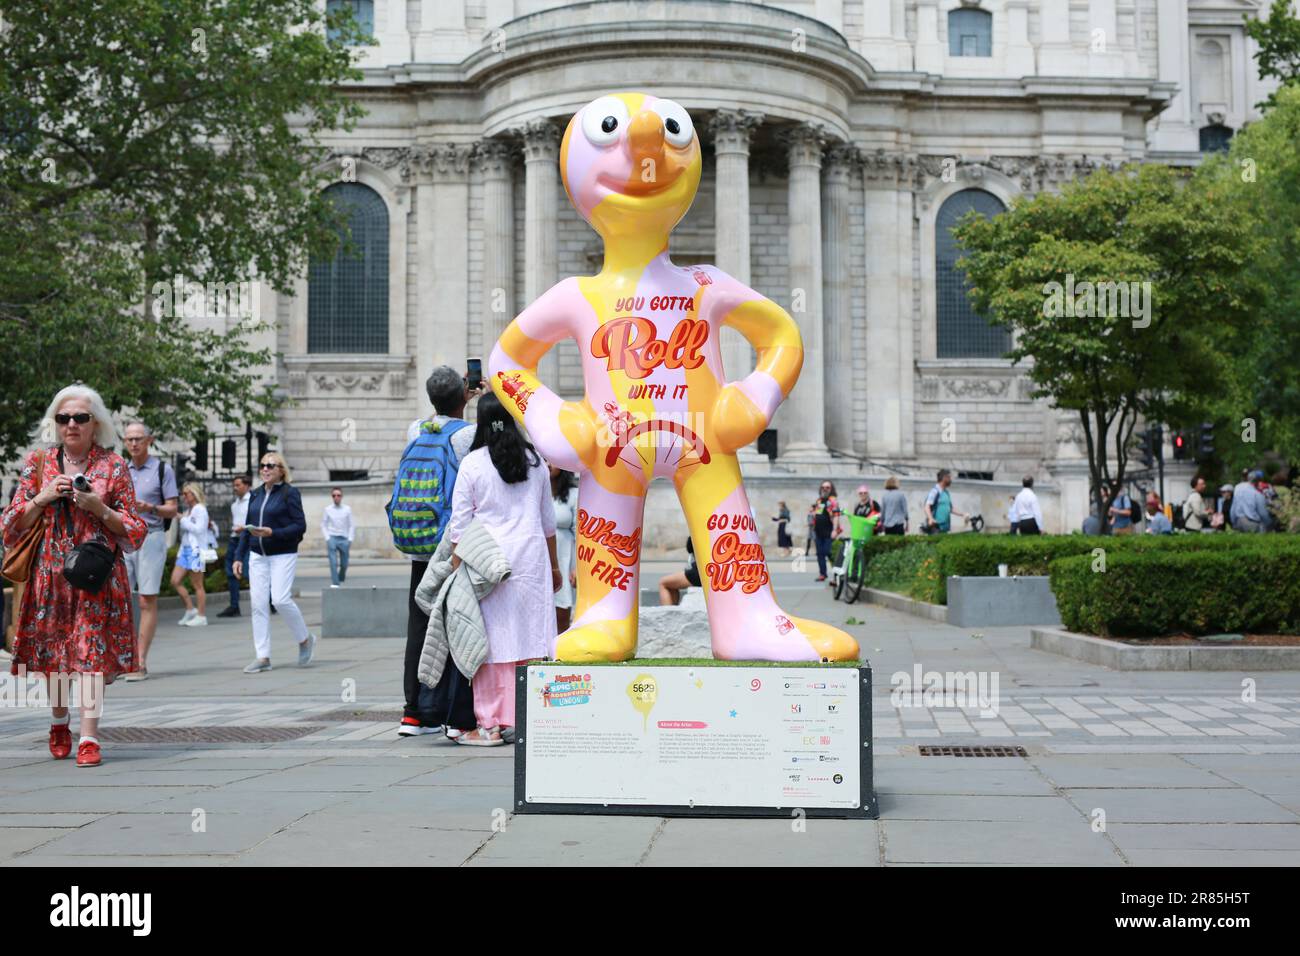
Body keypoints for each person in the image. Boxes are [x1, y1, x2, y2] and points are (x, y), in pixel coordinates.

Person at [1, 384, 147, 767]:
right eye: (63, 417)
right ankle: (59, 721)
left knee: (91, 655)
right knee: (54, 658)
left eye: (80, 417)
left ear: (95, 423)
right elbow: (10, 525)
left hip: (95, 578)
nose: (71, 424)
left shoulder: (113, 466)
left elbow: (135, 531)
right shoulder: (38, 463)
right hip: (50, 578)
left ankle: (89, 737)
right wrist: (43, 496)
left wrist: (100, 508)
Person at [442, 393, 559, 746]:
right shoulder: (535, 462)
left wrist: (457, 571)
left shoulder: (472, 464)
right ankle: (530, 716)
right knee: (532, 635)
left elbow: (459, 527)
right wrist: (555, 566)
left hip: (487, 564)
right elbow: (548, 522)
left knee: (491, 642)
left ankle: (490, 724)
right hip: (531, 560)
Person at [398, 366, 480, 738]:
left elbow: (439, 417)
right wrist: (475, 400)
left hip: (419, 544)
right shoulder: (468, 434)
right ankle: (447, 712)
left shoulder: (416, 430)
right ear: (463, 396)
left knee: (419, 625)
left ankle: (413, 713)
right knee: (455, 623)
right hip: (451, 547)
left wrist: (459, 396)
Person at [230, 452, 316, 673]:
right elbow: (247, 527)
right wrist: (239, 556)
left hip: (283, 554)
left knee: (280, 599)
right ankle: (263, 656)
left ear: (281, 470)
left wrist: (273, 533)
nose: (265, 469)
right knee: (258, 605)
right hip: (257, 556)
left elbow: (300, 526)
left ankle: (305, 639)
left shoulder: (290, 493)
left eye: (270, 465)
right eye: (262, 465)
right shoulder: (255, 494)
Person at [121, 421, 178, 681]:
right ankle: (124, 658)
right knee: (121, 600)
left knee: (146, 599)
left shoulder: (162, 469)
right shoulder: (121, 469)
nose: (134, 443)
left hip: (151, 536)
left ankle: (140, 661)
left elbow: (172, 509)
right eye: (130, 439)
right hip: (123, 538)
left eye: (139, 439)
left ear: (149, 441)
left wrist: (150, 508)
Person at [171, 484, 210, 627]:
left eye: (186, 494)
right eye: (183, 494)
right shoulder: (189, 510)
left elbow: (199, 529)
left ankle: (201, 616)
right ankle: (190, 609)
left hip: (196, 551)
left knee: (197, 584)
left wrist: (182, 519)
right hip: (186, 550)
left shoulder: (200, 509)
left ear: (194, 494)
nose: (184, 497)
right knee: (175, 581)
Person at [550, 465, 579, 633]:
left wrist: (578, 566)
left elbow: (579, 532)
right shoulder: (532, 491)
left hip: (564, 557)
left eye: (552, 460)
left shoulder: (573, 494)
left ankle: (560, 644)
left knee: (561, 608)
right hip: (539, 556)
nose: (548, 464)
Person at [219, 475, 252, 617]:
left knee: (250, 572)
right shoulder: (235, 505)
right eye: (234, 485)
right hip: (235, 540)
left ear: (247, 486)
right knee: (231, 571)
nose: (235, 488)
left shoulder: (252, 502)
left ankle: (269, 600)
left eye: (238, 485)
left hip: (249, 540)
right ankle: (234, 606)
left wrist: (244, 528)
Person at [321, 487, 354, 588]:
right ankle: (335, 583)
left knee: (344, 564)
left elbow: (351, 525)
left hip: (344, 538)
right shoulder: (328, 509)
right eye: (334, 495)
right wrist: (327, 538)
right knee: (333, 562)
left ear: (342, 496)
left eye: (338, 495)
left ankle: (341, 577)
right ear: (332, 497)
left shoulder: (347, 509)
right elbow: (323, 524)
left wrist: (350, 539)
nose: (336, 497)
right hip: (332, 538)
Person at [810, 480, 841, 582]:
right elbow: (818, 513)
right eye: (823, 487)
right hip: (818, 531)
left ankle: (837, 575)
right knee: (820, 554)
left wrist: (835, 530)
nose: (825, 489)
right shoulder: (819, 501)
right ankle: (822, 574)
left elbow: (836, 516)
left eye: (827, 487)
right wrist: (813, 514)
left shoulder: (833, 501)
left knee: (829, 553)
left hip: (829, 531)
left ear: (831, 489)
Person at [658, 539, 700, 607]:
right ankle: (672, 610)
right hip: (710, 570)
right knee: (669, 584)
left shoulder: (701, 533)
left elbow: (689, 548)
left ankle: (668, 612)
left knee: (663, 583)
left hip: (701, 572)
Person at [924, 469, 966, 533]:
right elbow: (927, 506)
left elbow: (950, 508)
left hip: (945, 528)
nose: (951, 480)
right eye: (949, 477)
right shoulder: (935, 491)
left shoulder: (946, 492)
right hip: (936, 528)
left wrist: (962, 514)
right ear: (944, 478)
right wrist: (930, 518)